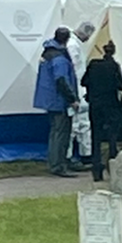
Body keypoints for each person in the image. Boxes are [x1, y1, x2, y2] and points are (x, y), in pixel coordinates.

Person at [32, 27, 79, 178]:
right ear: (67, 40)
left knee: (54, 133)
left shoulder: (47, 53)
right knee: (61, 134)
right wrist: (72, 99)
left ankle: (53, 163)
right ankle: (59, 165)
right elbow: (61, 80)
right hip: (59, 101)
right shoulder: (60, 58)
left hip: (49, 100)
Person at [81, 40, 122, 181]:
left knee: (96, 136)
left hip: (95, 105)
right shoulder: (114, 66)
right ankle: (112, 165)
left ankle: (96, 168)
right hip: (111, 106)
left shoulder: (93, 65)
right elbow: (121, 85)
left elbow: (84, 81)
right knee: (112, 137)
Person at [66, 22, 96, 168]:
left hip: (80, 91)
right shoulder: (73, 46)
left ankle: (85, 155)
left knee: (82, 125)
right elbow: (74, 72)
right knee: (74, 126)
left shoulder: (74, 44)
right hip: (76, 91)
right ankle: (70, 156)